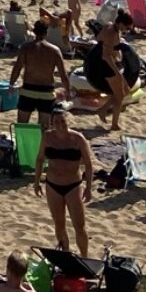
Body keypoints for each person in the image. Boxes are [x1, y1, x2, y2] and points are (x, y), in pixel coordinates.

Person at [36, 105, 94, 256]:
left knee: (79, 226)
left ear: (68, 121)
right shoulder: (47, 137)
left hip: (73, 186)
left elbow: (88, 165)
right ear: (51, 123)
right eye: (56, 122)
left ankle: (84, 257)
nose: (60, 125)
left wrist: (89, 188)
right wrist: (36, 182)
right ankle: (66, 255)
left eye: (62, 121)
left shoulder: (78, 139)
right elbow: (40, 159)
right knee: (59, 224)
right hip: (52, 185)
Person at [9, 23, 70, 125]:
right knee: (43, 127)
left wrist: (11, 84)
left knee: (22, 126)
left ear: (34, 32)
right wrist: (67, 91)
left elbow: (17, 68)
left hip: (28, 90)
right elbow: (63, 75)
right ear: (46, 33)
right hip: (47, 92)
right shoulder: (55, 50)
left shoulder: (26, 48)